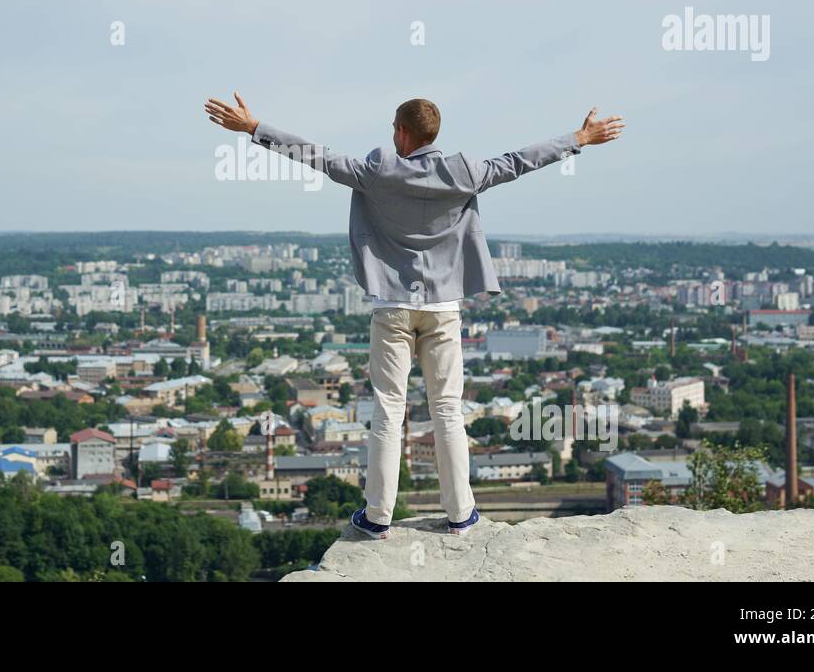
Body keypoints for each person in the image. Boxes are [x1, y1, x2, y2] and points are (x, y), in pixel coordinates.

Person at [204, 92, 624, 538]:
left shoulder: (377, 170)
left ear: (402, 132)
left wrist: (253, 128)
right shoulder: (463, 171)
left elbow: (317, 157)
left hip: (393, 306)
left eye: (393, 128)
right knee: (447, 409)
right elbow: (518, 161)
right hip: (443, 309)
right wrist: (579, 138)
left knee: (388, 409)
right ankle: (461, 515)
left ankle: (377, 518)